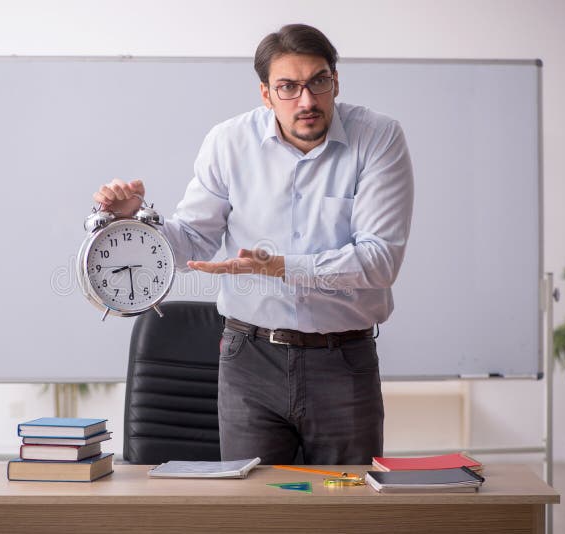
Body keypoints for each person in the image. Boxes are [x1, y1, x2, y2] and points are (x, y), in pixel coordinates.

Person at [93, 23, 414, 465]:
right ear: (266, 94)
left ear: (336, 81)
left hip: (343, 360)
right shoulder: (229, 142)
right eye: (288, 87)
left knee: (346, 501)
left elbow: (379, 261)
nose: (307, 100)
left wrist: (278, 266)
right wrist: (137, 223)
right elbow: (192, 242)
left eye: (318, 81)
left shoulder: (378, 137)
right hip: (250, 359)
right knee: (249, 501)